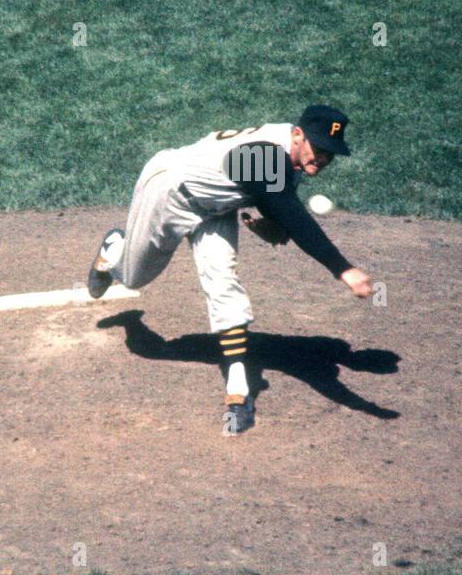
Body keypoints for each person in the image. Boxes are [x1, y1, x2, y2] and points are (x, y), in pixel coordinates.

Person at [87, 104, 373, 435]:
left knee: (223, 281)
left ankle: (238, 394)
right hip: (169, 190)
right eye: (319, 149)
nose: (322, 159)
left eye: (330, 154)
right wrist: (343, 269)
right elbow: (296, 219)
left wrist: (272, 226)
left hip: (217, 207)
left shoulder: (289, 158)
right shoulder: (263, 156)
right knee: (134, 277)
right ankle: (113, 251)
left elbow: (278, 207)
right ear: (297, 135)